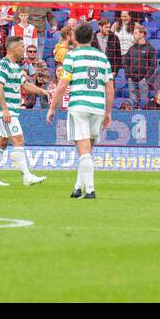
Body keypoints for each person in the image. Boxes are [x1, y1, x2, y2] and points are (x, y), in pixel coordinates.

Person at [46, 22, 114, 199]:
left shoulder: (72, 56)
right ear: (92, 37)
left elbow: (63, 84)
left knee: (83, 151)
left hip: (79, 106)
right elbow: (110, 88)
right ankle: (78, 188)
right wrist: (108, 112)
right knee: (87, 151)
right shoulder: (102, 57)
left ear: (75, 38)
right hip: (97, 107)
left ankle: (90, 190)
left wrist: (52, 107)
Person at [0, 35, 49, 189]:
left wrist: (43, 91)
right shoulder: (2, 66)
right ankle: (27, 176)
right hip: (5, 112)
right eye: (21, 47)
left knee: (1, 143)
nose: (24, 50)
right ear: (13, 49)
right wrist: (5, 109)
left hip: (8, 111)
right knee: (18, 140)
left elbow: (25, 85)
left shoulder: (15, 66)